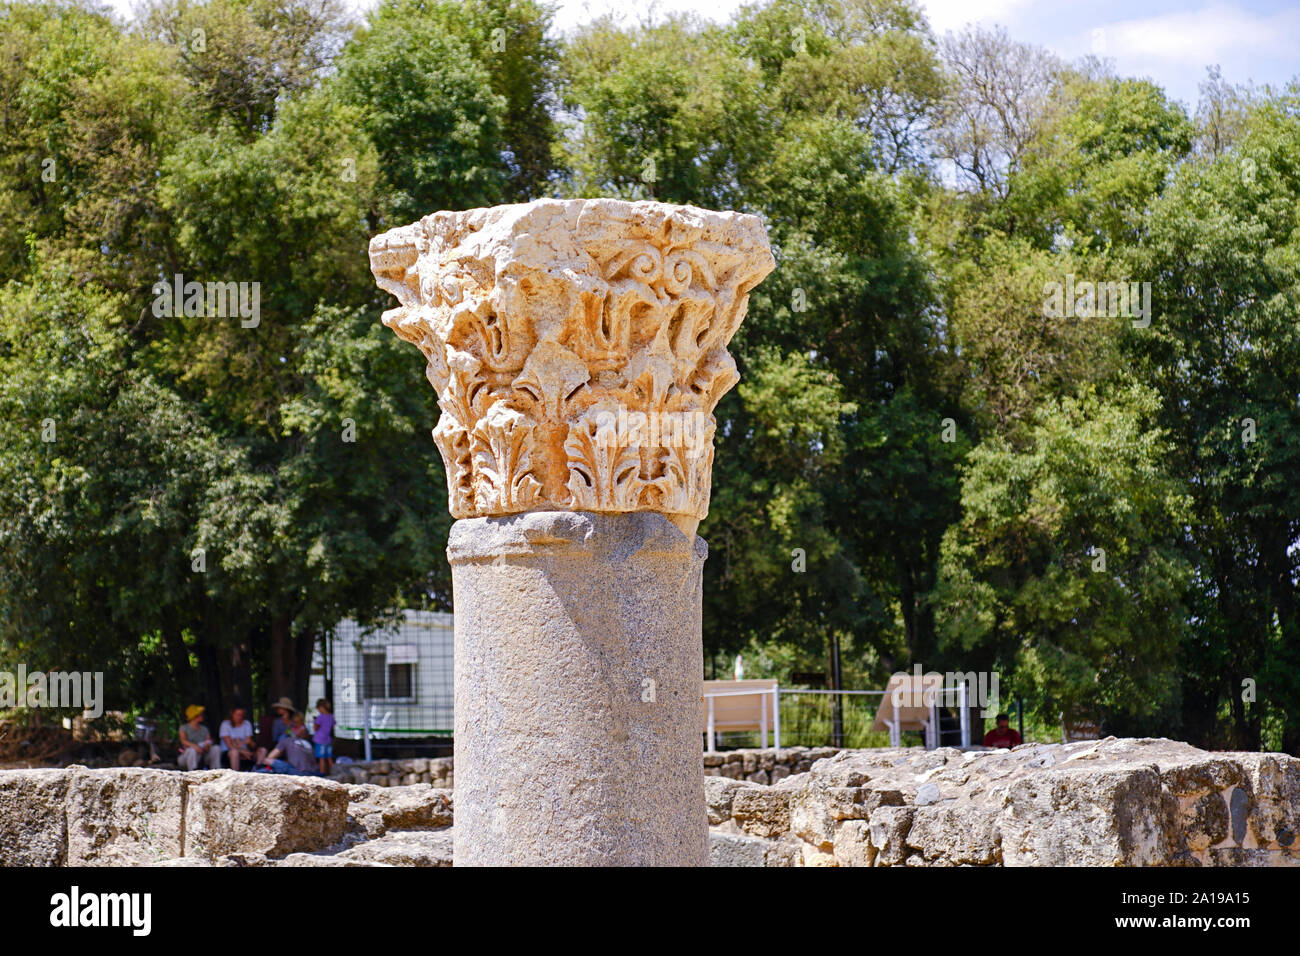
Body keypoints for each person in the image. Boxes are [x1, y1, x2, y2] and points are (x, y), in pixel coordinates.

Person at [178, 705, 220, 770]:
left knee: (216, 748)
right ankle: (193, 773)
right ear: (195, 716)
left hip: (202, 756)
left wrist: (208, 746)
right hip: (186, 756)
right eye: (200, 714)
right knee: (192, 751)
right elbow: (183, 740)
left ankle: (216, 771)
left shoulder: (204, 729)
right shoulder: (184, 727)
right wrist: (195, 747)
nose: (202, 716)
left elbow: (208, 741)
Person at [219, 706, 257, 770]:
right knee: (235, 752)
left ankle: (258, 768)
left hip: (245, 751)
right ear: (232, 714)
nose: (240, 717)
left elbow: (249, 741)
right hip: (228, 752)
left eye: (241, 715)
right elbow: (229, 745)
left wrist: (247, 749)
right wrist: (242, 751)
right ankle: (235, 774)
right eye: (238, 714)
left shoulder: (246, 723)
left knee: (261, 751)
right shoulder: (225, 724)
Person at [312, 698, 335, 775]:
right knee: (329, 757)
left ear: (321, 707)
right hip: (328, 739)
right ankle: (333, 773)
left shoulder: (320, 717)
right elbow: (332, 727)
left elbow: (315, 728)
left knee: (321, 758)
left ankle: (322, 773)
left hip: (319, 740)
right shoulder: (331, 717)